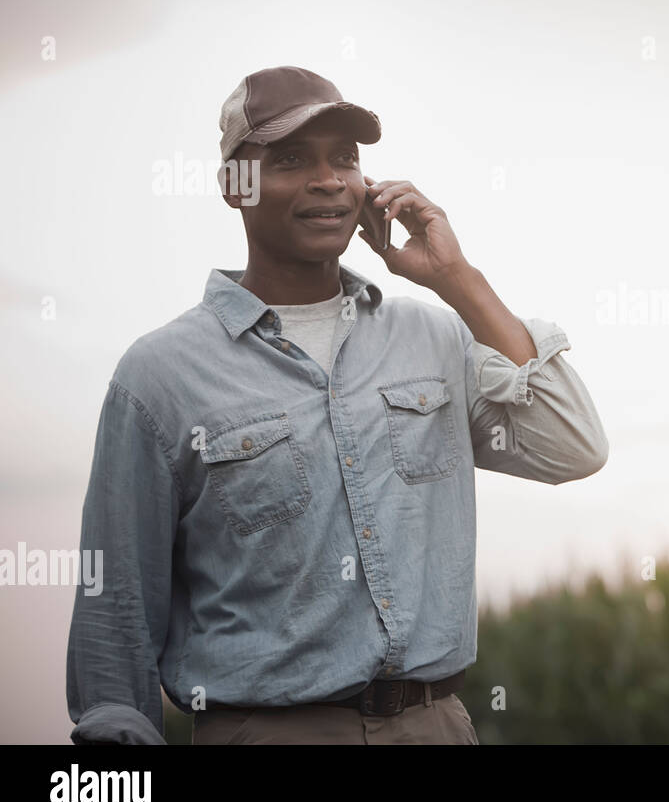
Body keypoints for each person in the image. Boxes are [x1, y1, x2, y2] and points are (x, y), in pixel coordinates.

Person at [65, 65, 608, 744]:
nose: (329, 180)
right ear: (236, 185)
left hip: (437, 726)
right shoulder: (160, 376)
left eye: (345, 159)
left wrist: (458, 282)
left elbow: (574, 446)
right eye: (292, 159)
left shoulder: (433, 336)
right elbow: (116, 608)